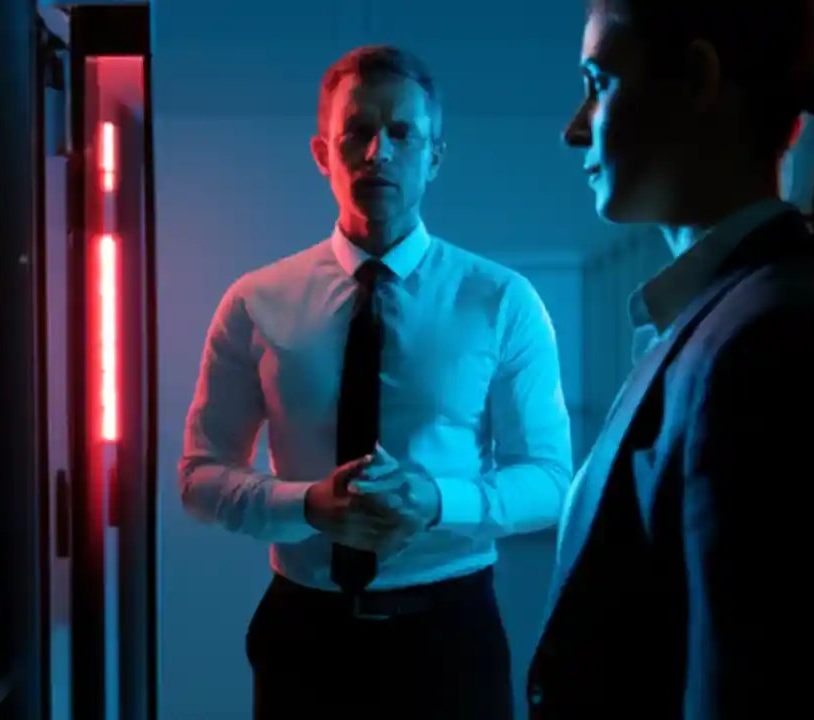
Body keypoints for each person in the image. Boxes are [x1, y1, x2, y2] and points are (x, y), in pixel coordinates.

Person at [529, 1, 814, 718]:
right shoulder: (733, 319)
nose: (575, 127)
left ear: (700, 79)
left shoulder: (773, 340)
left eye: (599, 83)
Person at [178, 44, 573, 720]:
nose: (378, 152)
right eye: (357, 131)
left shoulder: (502, 301)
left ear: (435, 155)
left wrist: (437, 501)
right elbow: (197, 477)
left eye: (401, 134)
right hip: (304, 636)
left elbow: (551, 479)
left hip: (450, 635)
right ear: (321, 152)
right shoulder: (254, 302)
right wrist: (306, 506)